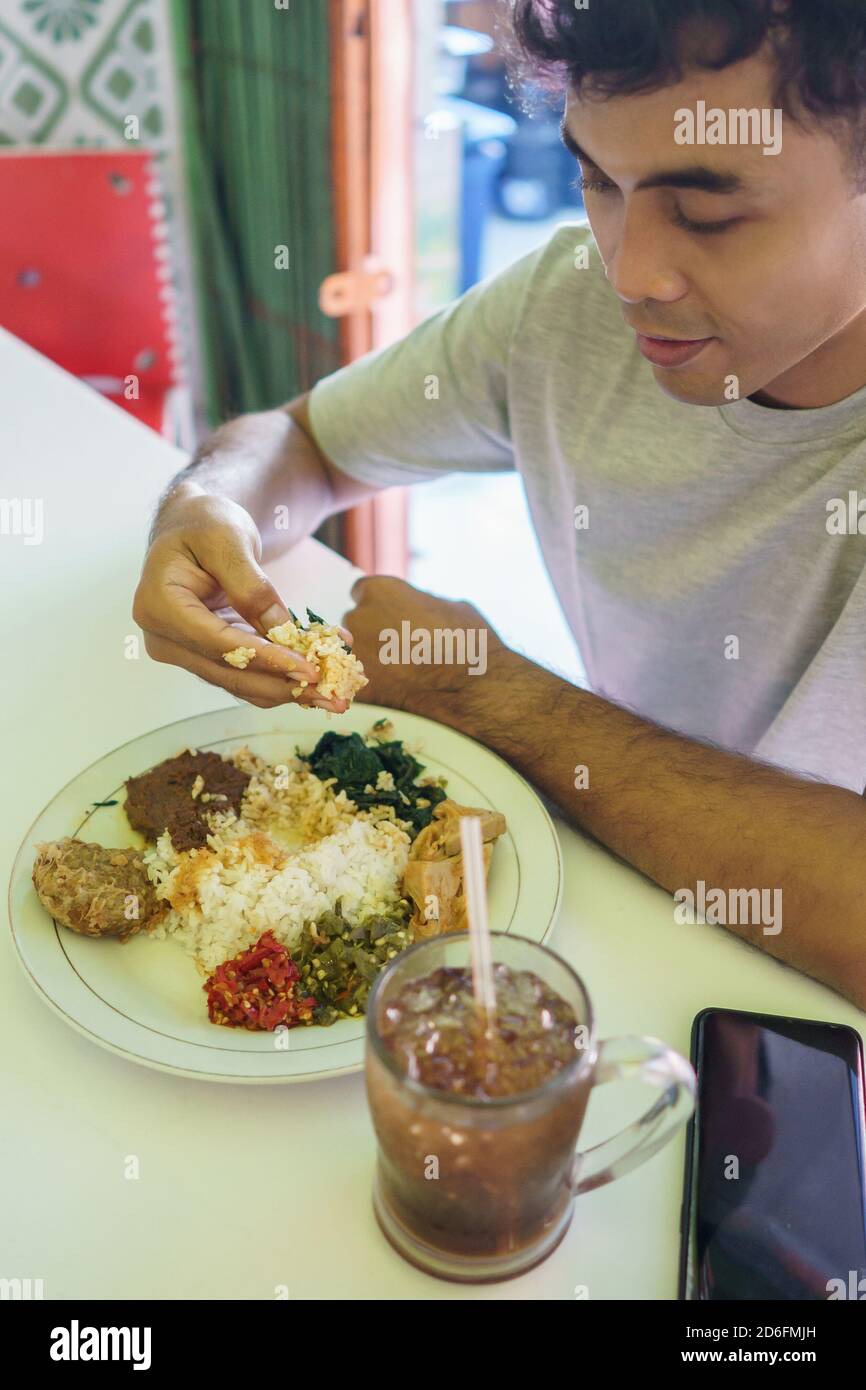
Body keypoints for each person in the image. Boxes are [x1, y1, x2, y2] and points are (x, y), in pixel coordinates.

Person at [134, 1, 866, 1010]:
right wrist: (205, 505)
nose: (628, 270)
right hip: (614, 931)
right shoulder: (564, 304)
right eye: (596, 180)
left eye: (704, 212)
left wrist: (486, 693)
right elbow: (298, 441)